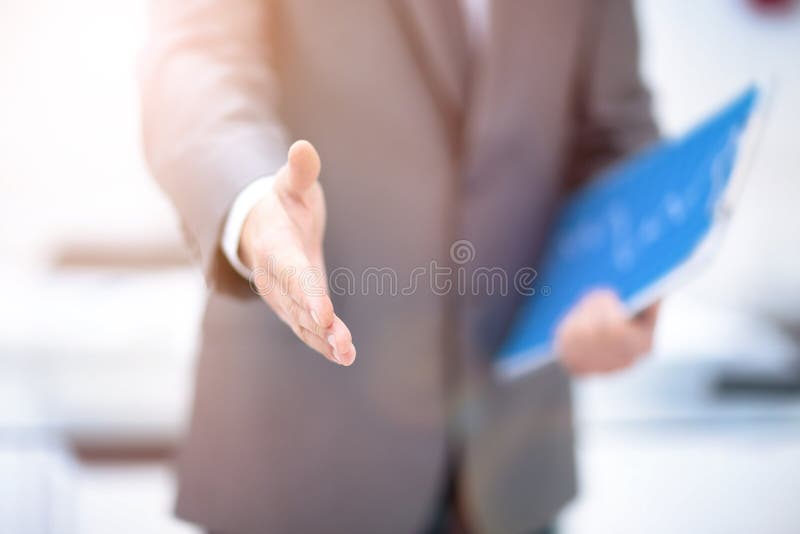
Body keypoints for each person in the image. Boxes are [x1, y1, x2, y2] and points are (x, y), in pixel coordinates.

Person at [140, 1, 660, 532]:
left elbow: (614, 130)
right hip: (301, 463)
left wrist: (626, 281)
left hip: (515, 468)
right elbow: (196, 56)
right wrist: (250, 203)